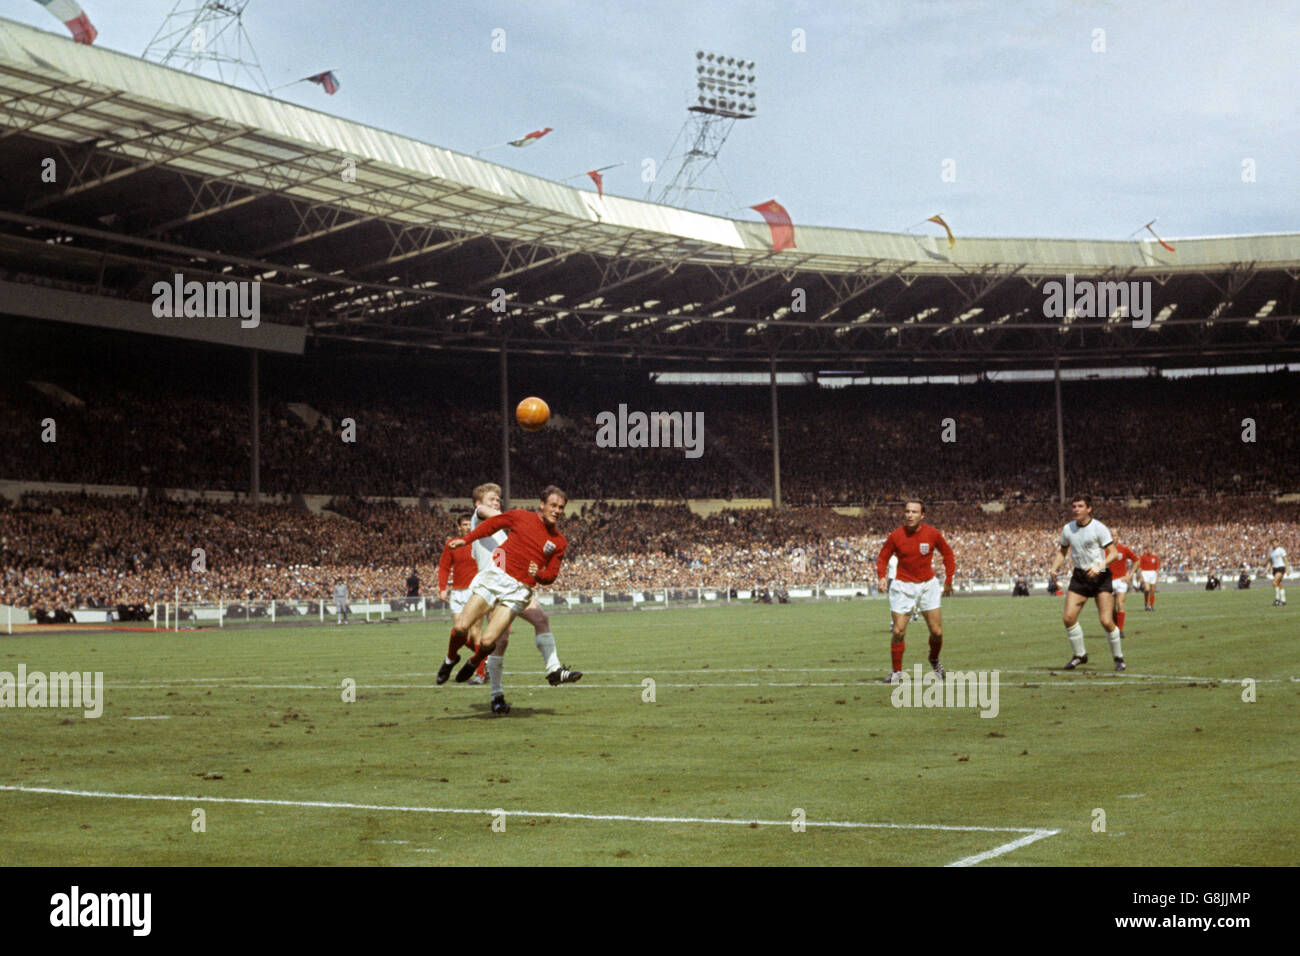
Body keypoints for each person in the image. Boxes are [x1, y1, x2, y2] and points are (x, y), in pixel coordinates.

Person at [436, 482, 581, 691]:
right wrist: (466, 539)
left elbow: (551, 575)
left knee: (489, 642)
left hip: (518, 591)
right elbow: (490, 524)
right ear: (541, 505)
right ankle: (451, 660)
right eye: (553, 505)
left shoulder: (559, 541)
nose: (557, 511)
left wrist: (538, 574)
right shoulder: (519, 515)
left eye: (561, 508)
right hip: (494, 579)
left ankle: (476, 663)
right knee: (461, 627)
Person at [875, 500, 956, 684]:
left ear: (922, 515)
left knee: (936, 632)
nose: (909, 515)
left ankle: (934, 660)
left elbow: (948, 554)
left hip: (928, 585)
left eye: (914, 512)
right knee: (898, 631)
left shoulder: (932, 534)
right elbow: (883, 557)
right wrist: (881, 576)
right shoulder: (896, 536)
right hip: (903, 586)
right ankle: (896, 672)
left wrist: (949, 579)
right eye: (907, 511)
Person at [1049, 495, 1124, 672]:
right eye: (1074, 506)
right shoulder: (1068, 529)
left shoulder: (1099, 528)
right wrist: (1053, 569)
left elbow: (1113, 553)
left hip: (1101, 576)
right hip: (1080, 576)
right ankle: (1080, 655)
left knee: (1106, 621)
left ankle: (1118, 658)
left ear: (1089, 508)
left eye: (1080, 506)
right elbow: (1062, 552)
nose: (1076, 509)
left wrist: (1100, 566)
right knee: (1068, 618)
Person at [437, 515, 486, 684]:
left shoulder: (480, 542)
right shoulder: (452, 544)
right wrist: (442, 588)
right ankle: (484, 659)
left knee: (475, 634)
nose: (467, 527)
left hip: (475, 592)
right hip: (457, 592)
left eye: (469, 524)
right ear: (459, 527)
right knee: (460, 633)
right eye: (464, 525)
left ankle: (480, 674)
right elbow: (444, 567)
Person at [1108, 542, 1139, 640]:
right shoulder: (1104, 549)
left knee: (1120, 604)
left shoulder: (1124, 549)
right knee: (1112, 608)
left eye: (1115, 535)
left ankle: (1120, 630)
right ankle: (1115, 628)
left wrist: (1129, 575)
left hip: (1122, 580)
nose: (1113, 537)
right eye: (1112, 535)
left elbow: (1137, 560)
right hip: (1109, 581)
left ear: (1118, 537)